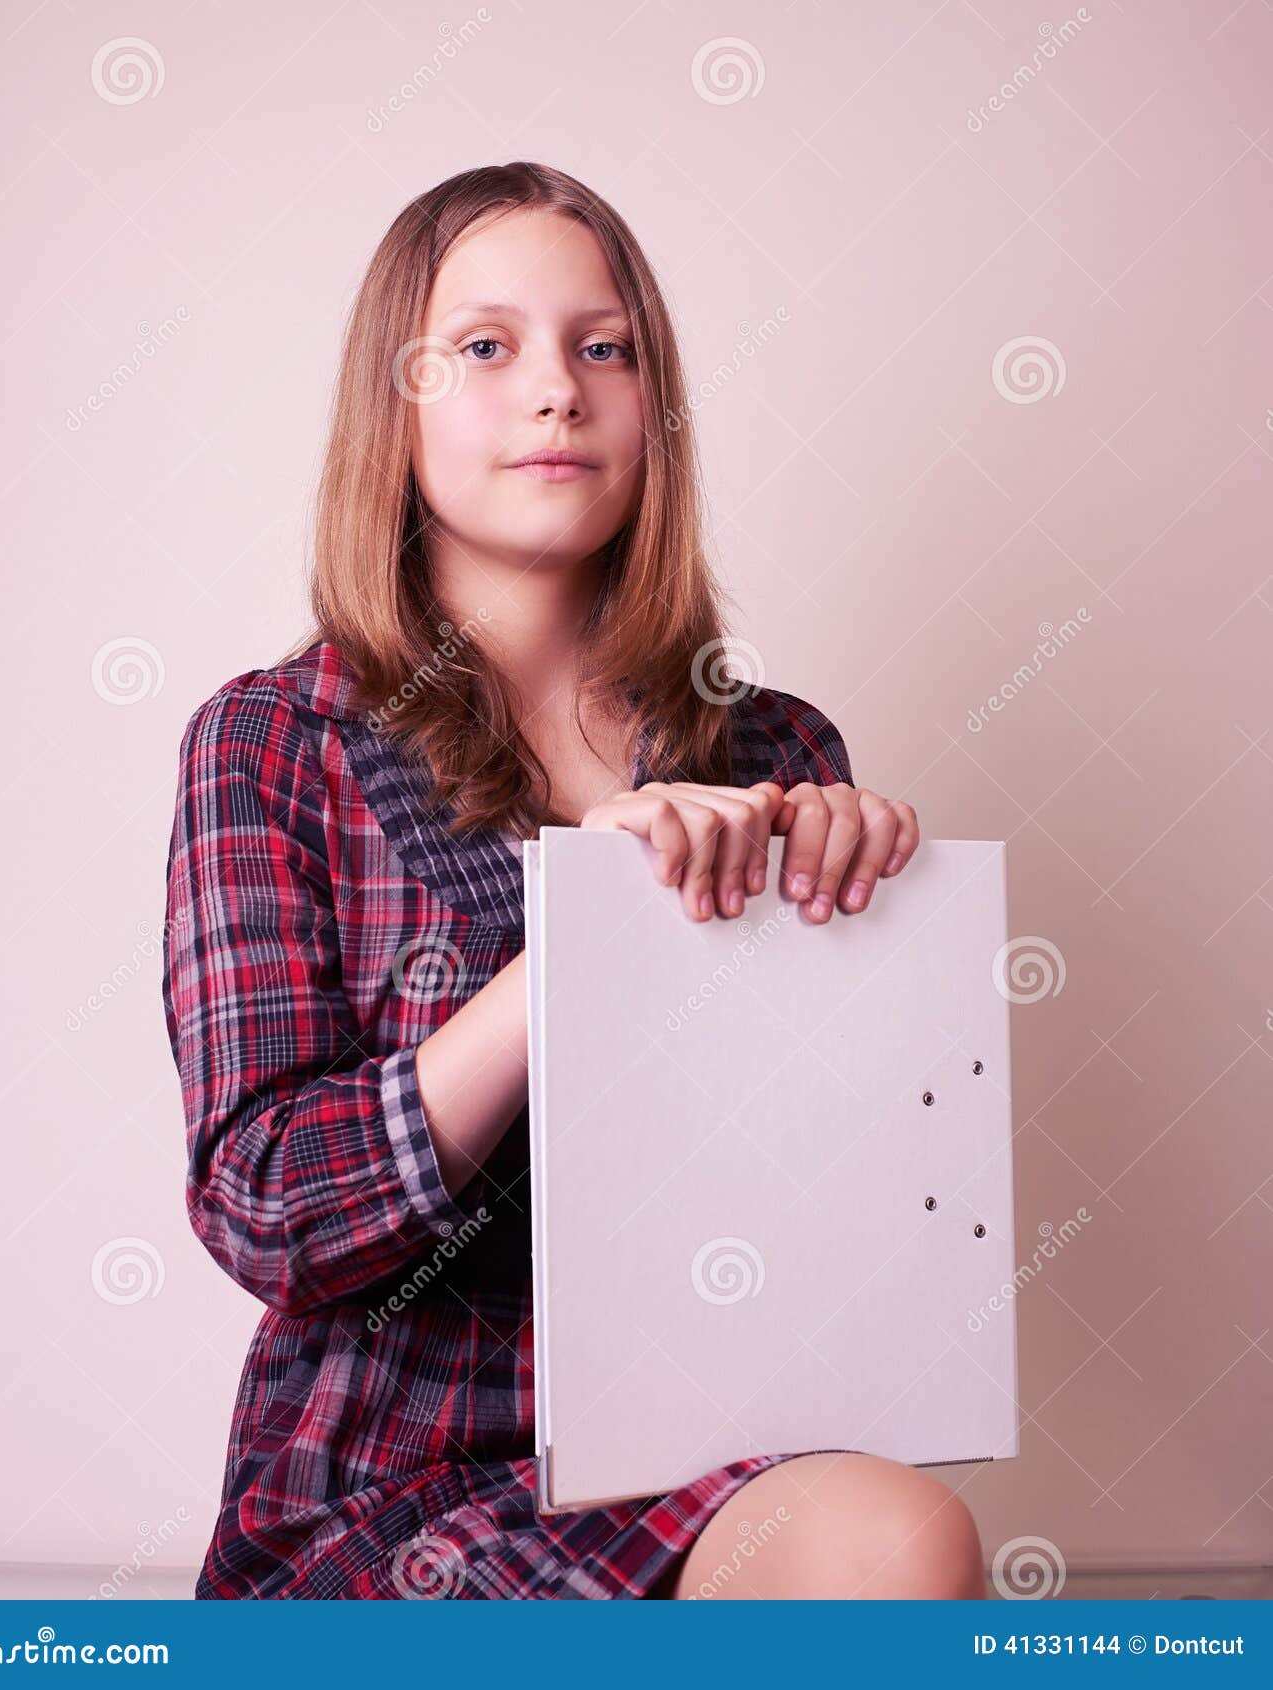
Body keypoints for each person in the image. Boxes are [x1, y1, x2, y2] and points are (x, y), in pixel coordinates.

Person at [161, 161, 985, 1600]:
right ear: (396, 405)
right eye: (487, 347)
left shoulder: (777, 750)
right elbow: (267, 1207)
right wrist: (577, 953)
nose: (558, 390)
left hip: (716, 1452)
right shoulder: (273, 742)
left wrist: (870, 953)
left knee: (906, 1531)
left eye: (603, 349)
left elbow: (831, 1226)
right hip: (390, 1483)